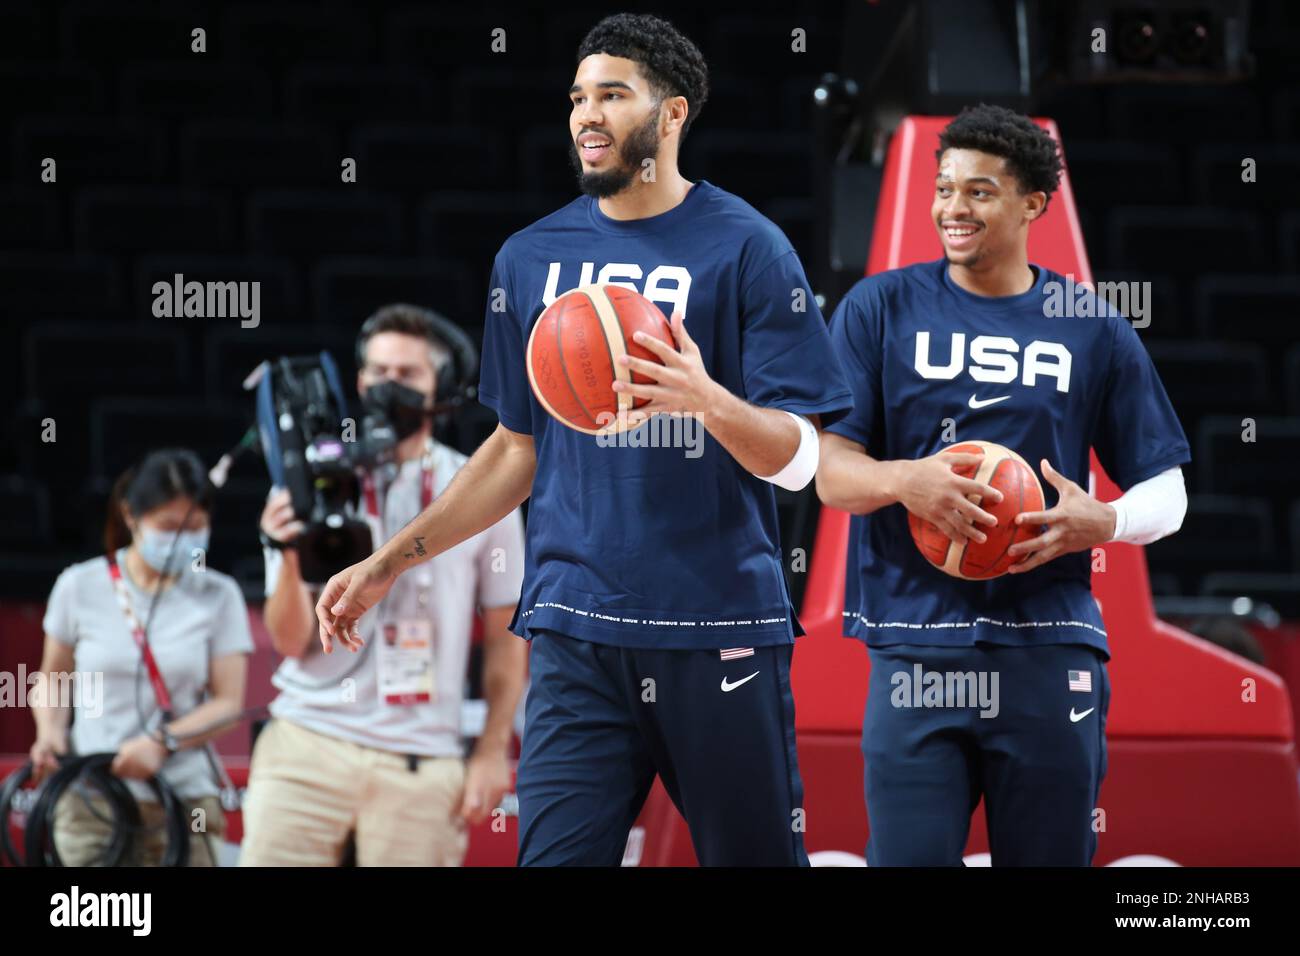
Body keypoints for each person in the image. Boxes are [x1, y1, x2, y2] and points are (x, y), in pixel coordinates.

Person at [313, 13, 853, 867]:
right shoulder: (531, 256)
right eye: (576, 98)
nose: (586, 116)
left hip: (717, 624)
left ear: (672, 115)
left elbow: (802, 458)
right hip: (572, 626)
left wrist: (708, 400)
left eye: (612, 95)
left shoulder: (749, 248)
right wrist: (390, 561)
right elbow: (513, 450)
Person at [816, 104, 1190, 865]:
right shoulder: (879, 307)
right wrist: (905, 482)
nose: (953, 207)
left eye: (980, 191)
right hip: (915, 650)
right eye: (944, 187)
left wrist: (1107, 523)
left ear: (1033, 204)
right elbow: (829, 471)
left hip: (1047, 649)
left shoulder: (1089, 324)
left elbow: (1169, 491)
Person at [239, 303, 527, 867]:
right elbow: (289, 641)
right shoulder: (315, 482)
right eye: (377, 373)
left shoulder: (481, 490)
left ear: (440, 386)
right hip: (306, 743)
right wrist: (286, 552)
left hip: (420, 762)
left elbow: (506, 634)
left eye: (406, 375)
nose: (386, 387)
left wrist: (492, 750)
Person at [31, 448, 253, 866]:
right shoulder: (78, 586)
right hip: (90, 796)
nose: (184, 538)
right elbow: (52, 678)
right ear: (131, 516)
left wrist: (163, 742)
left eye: (196, 527)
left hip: (186, 800)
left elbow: (229, 704)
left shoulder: (219, 595)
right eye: (169, 526)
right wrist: (49, 731)